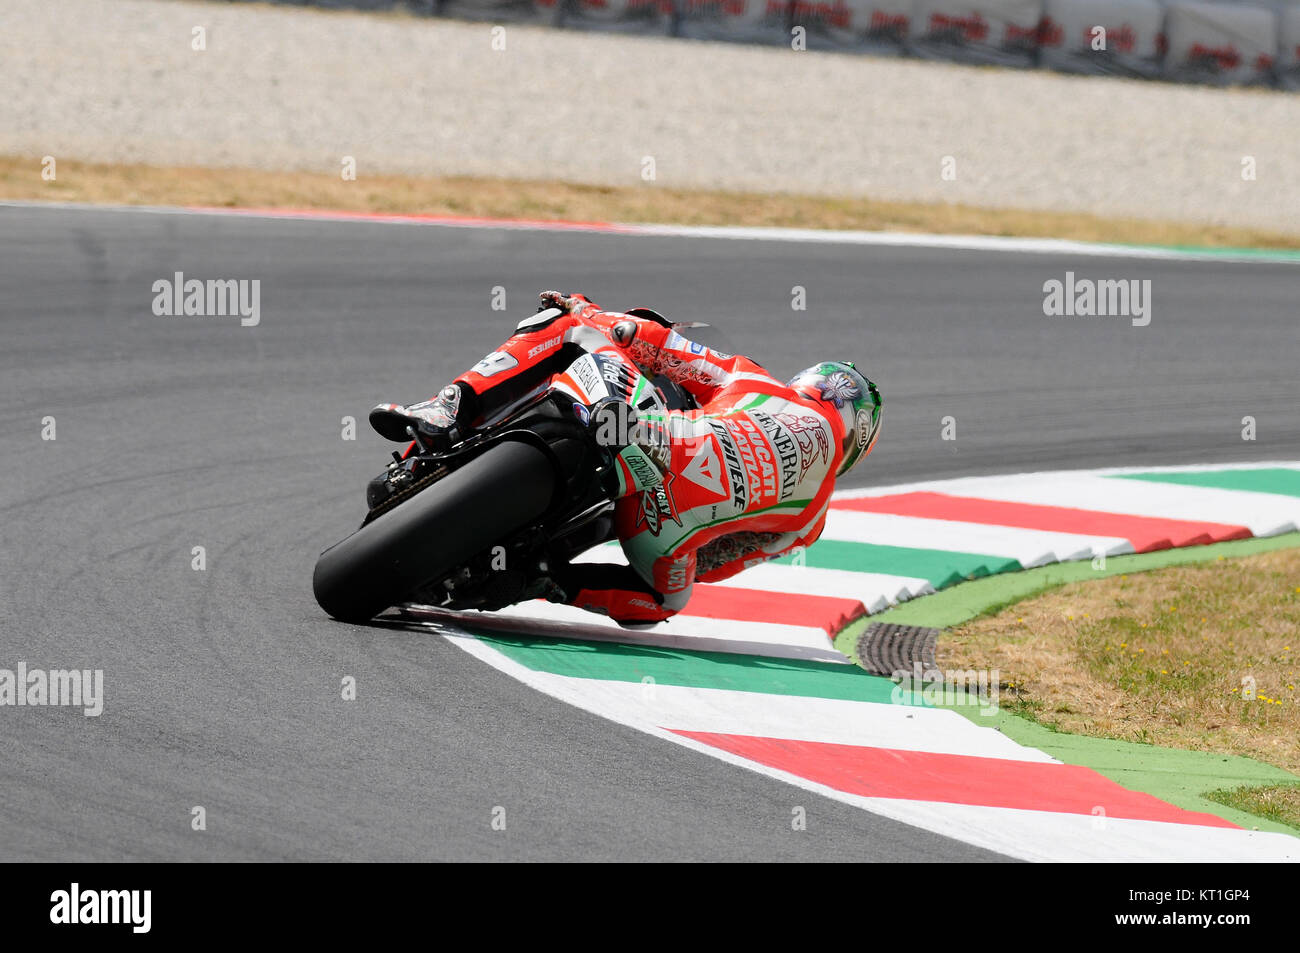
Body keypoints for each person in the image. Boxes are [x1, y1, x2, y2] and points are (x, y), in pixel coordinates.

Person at [369, 291, 881, 626]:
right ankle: (545, 580)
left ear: (807, 386)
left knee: (568, 325)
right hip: (659, 523)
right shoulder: (813, 518)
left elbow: (653, 342)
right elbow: (718, 564)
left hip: (645, 429)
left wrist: (586, 310)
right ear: (855, 444)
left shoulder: (759, 383)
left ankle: (449, 406)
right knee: (666, 601)